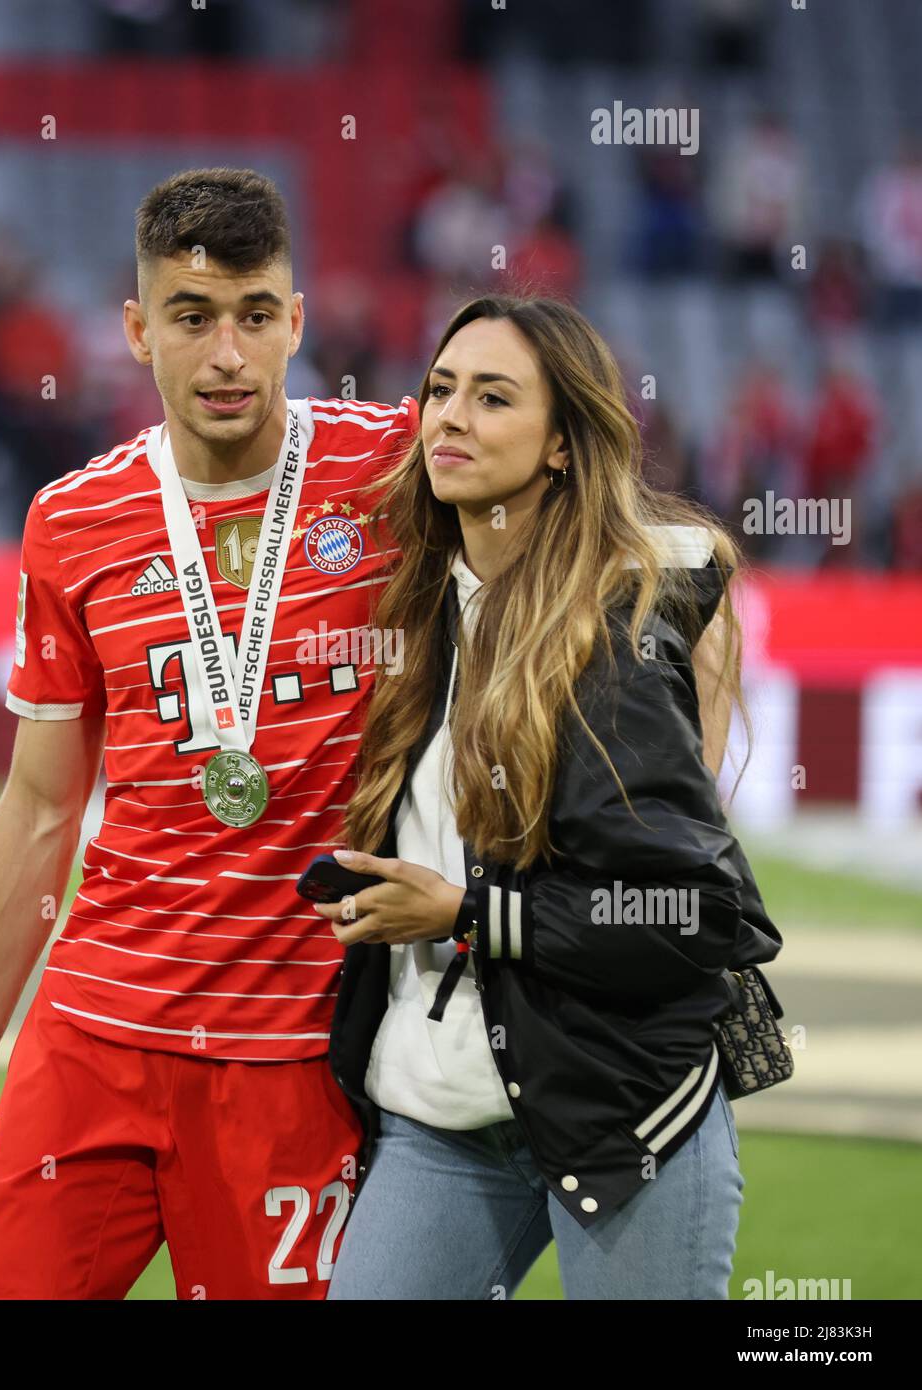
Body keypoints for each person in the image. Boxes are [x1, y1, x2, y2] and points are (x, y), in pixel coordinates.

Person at [0, 167, 421, 1300]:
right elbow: (42, 806)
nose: (227, 355)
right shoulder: (72, 520)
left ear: (297, 321)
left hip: (294, 1059)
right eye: (191, 318)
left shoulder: (395, 467)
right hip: (92, 1035)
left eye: (253, 316)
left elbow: (576, 492)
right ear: (139, 331)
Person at [317, 294, 785, 1300]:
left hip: (625, 1120)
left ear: (565, 445)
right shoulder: (421, 603)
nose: (450, 417)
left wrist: (468, 916)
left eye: (493, 399)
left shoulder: (608, 642)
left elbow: (699, 913)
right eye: (441, 388)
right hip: (442, 1120)